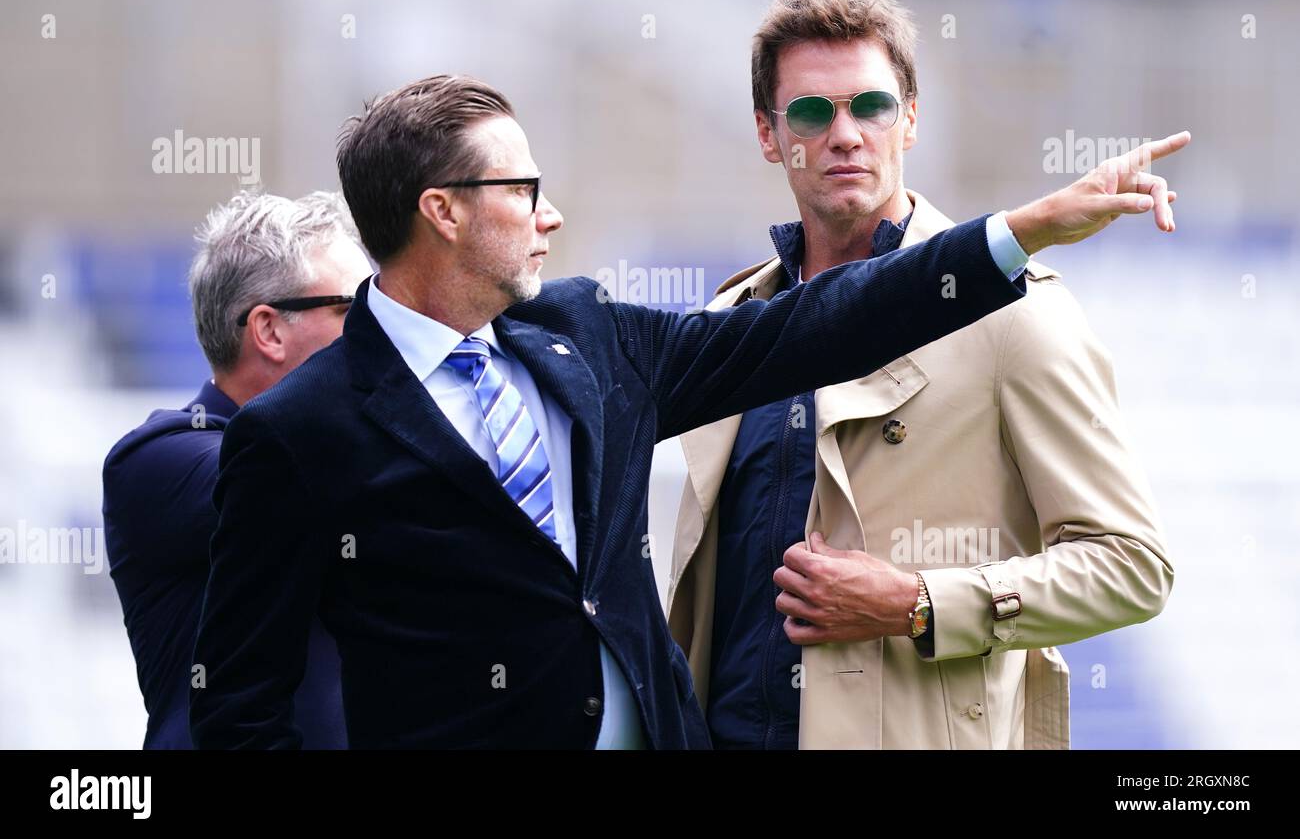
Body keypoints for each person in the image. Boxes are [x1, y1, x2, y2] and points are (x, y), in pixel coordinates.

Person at [190, 73, 1181, 749]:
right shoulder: (297, 431)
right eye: (522, 187)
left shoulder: (587, 336)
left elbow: (817, 325)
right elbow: (241, 702)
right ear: (441, 210)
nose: (550, 214)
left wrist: (1014, 236)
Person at [667, 0, 1179, 749]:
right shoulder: (730, 322)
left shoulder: (1016, 312)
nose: (844, 135)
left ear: (909, 119)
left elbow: (1132, 566)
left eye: (870, 106)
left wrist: (921, 602)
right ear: (770, 136)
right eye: (810, 111)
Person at [103, 190, 369, 749]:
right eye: (352, 307)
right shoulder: (158, 460)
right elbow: (299, 481)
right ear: (268, 330)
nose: (377, 329)